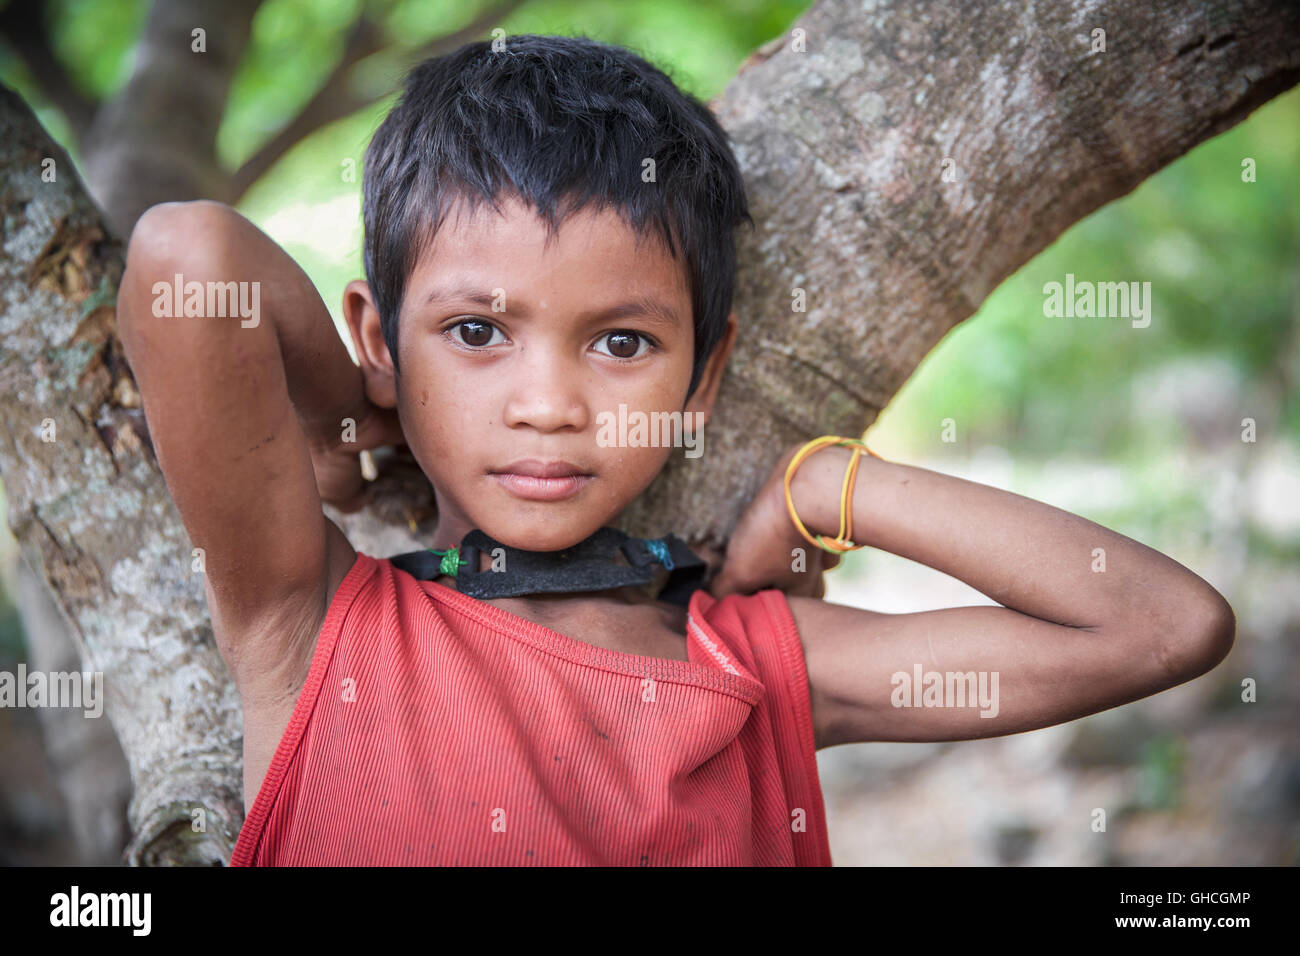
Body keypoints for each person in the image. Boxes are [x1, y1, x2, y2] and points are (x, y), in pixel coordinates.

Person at [116, 34, 1235, 866]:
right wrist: (348, 418)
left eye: (619, 341)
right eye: (474, 333)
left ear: (702, 375)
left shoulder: (755, 668)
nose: (547, 404)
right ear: (378, 335)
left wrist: (829, 484)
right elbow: (182, 255)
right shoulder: (311, 626)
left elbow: (1165, 625)